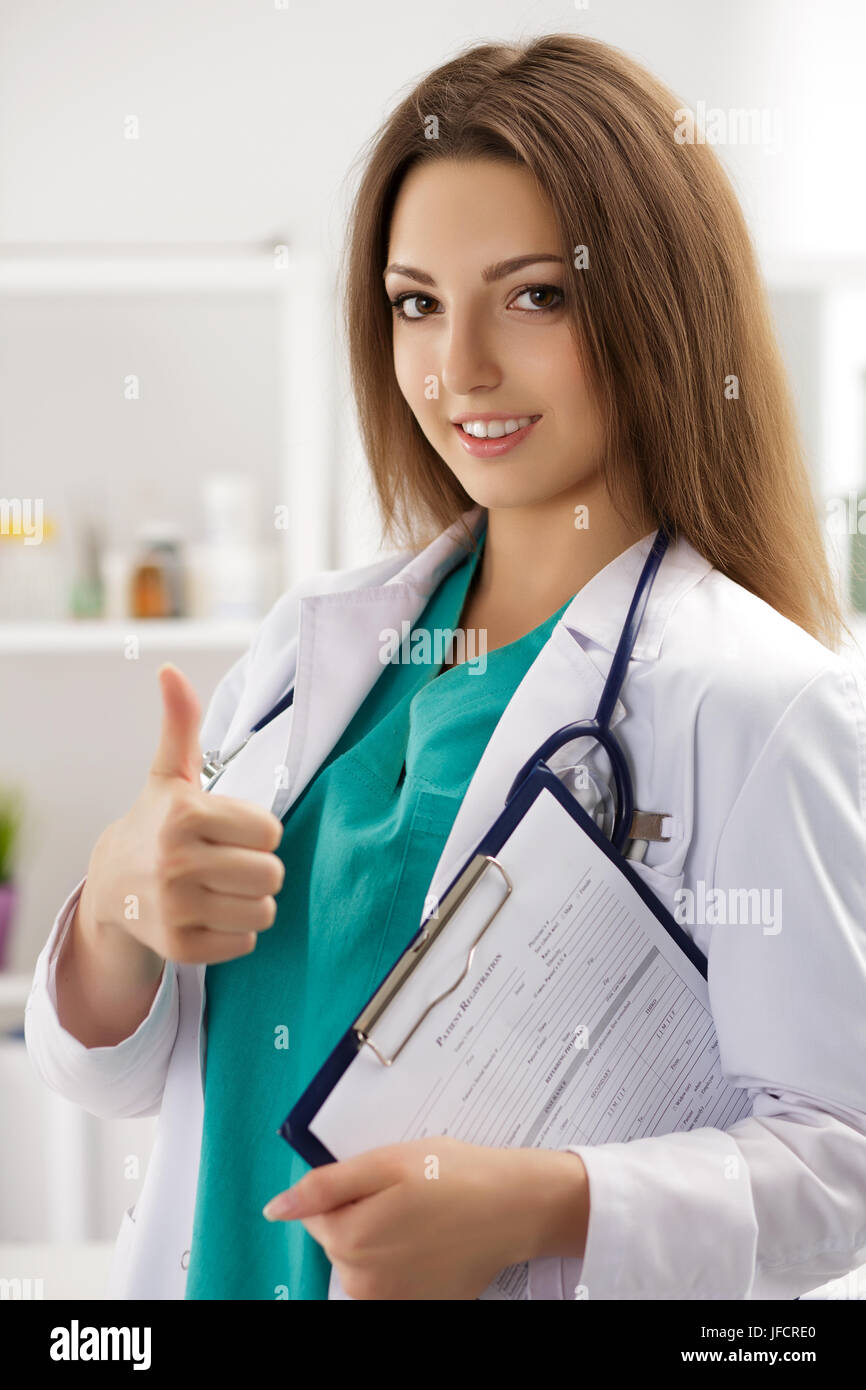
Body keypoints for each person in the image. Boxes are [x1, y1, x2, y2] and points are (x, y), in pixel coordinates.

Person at [26, 32, 866, 1301]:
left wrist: (546, 1205)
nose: (457, 365)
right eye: (416, 301)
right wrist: (114, 917)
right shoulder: (315, 652)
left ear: (656, 304)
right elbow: (119, 1072)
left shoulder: (762, 703)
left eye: (534, 295)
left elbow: (840, 1164)